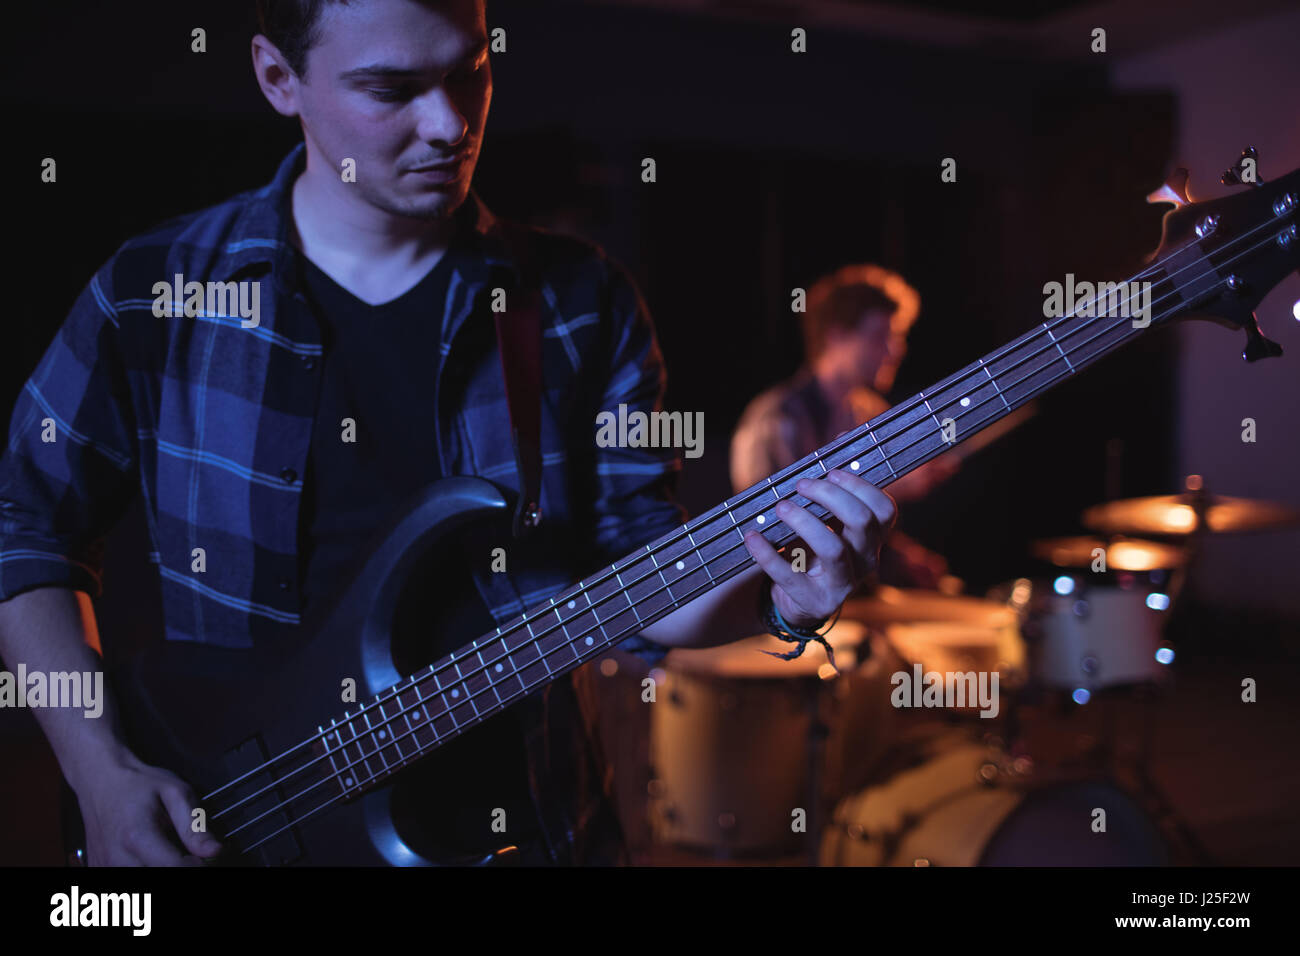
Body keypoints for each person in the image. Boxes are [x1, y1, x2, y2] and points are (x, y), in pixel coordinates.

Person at [0, 0, 895, 866]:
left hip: (531, 831)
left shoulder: (581, 303)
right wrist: (101, 772)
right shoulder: (159, 289)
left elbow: (638, 592)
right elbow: (24, 528)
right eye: (392, 91)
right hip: (237, 829)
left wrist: (782, 596)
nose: (448, 125)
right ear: (278, 78)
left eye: (471, 74)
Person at [731, 263, 954, 589]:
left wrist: (899, 555)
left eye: (898, 336)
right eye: (881, 336)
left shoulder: (869, 410)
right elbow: (774, 535)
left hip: (852, 591)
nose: (896, 349)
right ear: (836, 337)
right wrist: (896, 488)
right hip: (788, 597)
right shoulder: (775, 418)